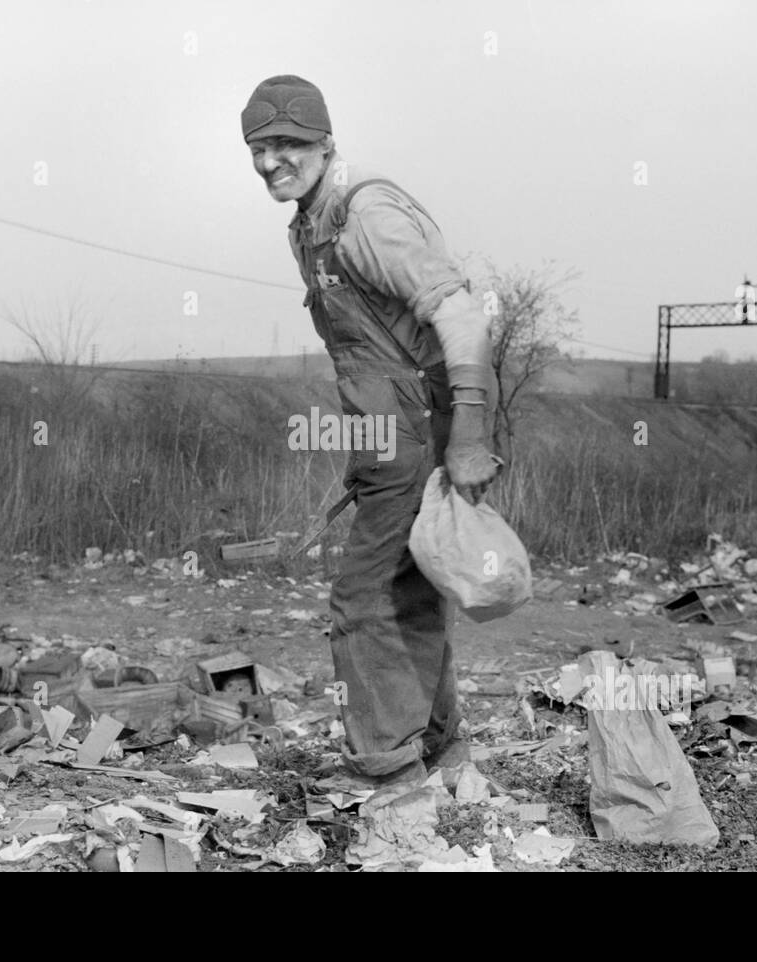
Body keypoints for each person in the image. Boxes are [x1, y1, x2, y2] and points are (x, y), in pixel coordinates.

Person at [243, 75, 500, 788]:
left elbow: (463, 317)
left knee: (363, 602)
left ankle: (387, 778)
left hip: (419, 431)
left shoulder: (365, 217)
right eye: (260, 147)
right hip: (390, 436)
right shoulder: (313, 220)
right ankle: (445, 758)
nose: (271, 162)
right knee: (409, 595)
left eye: (288, 144)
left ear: (327, 143)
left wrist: (471, 437)